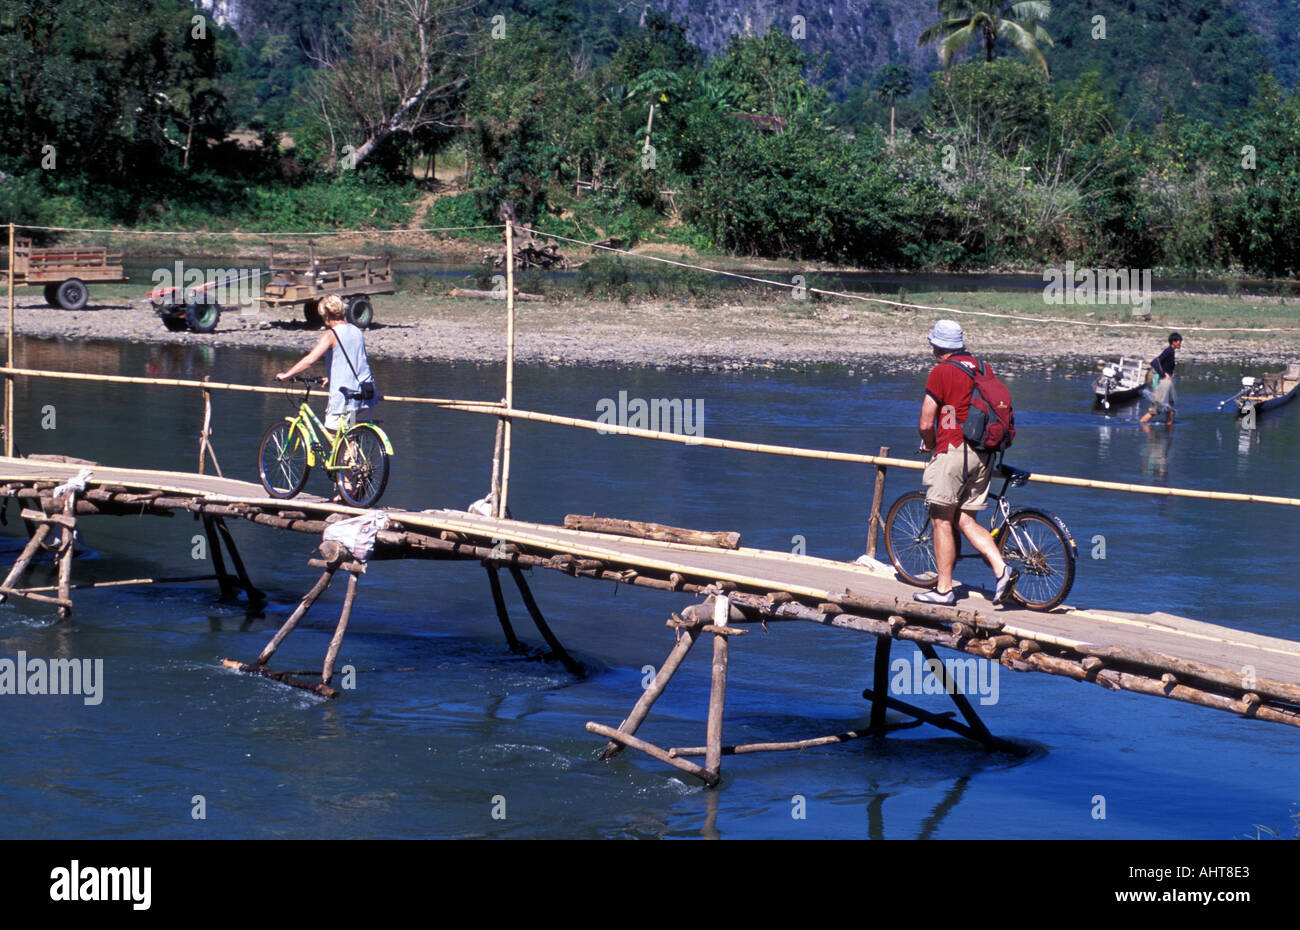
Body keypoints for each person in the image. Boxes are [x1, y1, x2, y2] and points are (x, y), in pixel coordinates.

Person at [914, 319, 1018, 607]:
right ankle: (1001, 569)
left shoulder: (942, 371)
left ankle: (944, 589)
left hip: (955, 451)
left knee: (941, 518)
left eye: (933, 343)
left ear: (939, 346)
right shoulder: (982, 367)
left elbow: (926, 420)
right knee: (965, 519)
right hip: (984, 452)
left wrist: (931, 442)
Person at [275, 294, 377, 435]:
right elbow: (355, 360)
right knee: (350, 437)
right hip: (364, 394)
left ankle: (348, 456)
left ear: (328, 315)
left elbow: (310, 360)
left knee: (332, 434)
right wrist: (332, 378)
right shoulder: (356, 330)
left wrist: (286, 375)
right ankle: (354, 456)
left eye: (323, 316)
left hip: (346, 400)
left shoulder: (331, 335)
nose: (323, 320)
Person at [1139, 333, 1182, 425]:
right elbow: (1155, 362)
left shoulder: (1172, 351)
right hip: (1163, 383)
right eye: (1179, 341)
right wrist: (1163, 374)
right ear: (1174, 342)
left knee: (1171, 410)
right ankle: (1142, 424)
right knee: (1156, 409)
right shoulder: (1169, 350)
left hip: (1167, 383)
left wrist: (1169, 373)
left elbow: (1164, 365)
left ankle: (1169, 431)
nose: (1180, 343)